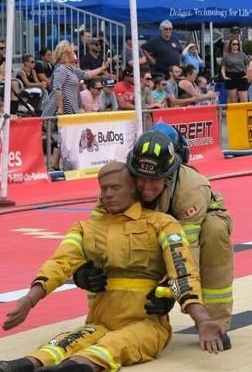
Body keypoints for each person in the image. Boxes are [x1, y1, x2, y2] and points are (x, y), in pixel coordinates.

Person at [0, 161, 226, 372]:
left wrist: (201, 319)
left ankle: (77, 368)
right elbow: (60, 263)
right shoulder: (86, 228)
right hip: (100, 317)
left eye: (115, 188)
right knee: (66, 340)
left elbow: (182, 270)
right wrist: (31, 298)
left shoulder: (162, 223)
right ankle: (10, 368)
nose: (107, 194)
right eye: (103, 189)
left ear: (133, 189)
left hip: (146, 322)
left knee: (118, 344)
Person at [79, 129, 235, 332]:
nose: (145, 187)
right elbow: (95, 236)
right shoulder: (117, 185)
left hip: (192, 230)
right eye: (140, 178)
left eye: (154, 180)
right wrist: (82, 271)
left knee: (215, 231)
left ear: (168, 176)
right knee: (100, 256)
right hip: (146, 230)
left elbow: (187, 254)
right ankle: (102, 318)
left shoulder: (191, 189)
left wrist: (171, 290)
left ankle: (213, 323)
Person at [44, 40, 107, 117]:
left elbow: (85, 74)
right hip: (64, 109)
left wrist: (102, 68)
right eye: (72, 52)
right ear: (66, 53)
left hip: (71, 108)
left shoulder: (70, 68)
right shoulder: (61, 68)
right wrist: (60, 108)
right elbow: (57, 89)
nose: (74, 54)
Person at [220, 39, 250, 103]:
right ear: (230, 45)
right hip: (230, 76)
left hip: (241, 75)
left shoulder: (242, 55)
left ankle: (244, 112)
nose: (235, 46)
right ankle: (234, 112)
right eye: (234, 44)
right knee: (233, 100)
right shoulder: (226, 56)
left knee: (244, 100)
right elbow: (223, 67)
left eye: (237, 44)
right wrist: (224, 76)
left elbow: (248, 65)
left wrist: (247, 75)